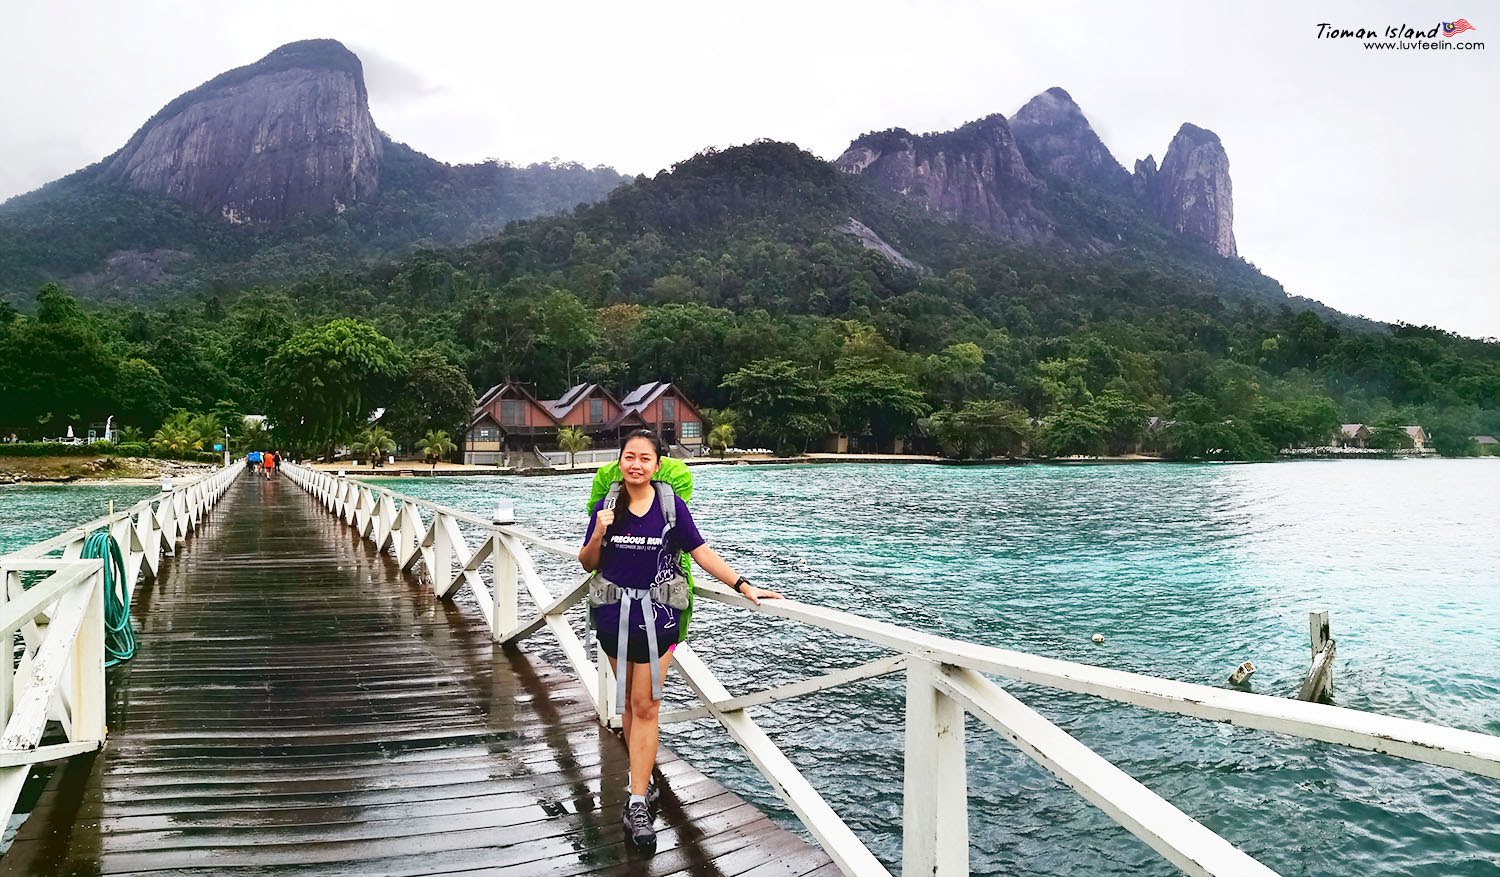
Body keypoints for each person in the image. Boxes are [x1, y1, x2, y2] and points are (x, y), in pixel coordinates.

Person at [578, 429, 781, 851]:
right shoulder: (606, 506)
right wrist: (598, 531)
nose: (636, 464)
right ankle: (644, 778)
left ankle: (636, 802)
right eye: (629, 457)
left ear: (656, 465)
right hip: (614, 616)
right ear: (620, 461)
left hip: (660, 619)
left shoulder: (671, 507)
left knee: (647, 703)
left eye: (644, 458)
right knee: (631, 703)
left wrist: (744, 584)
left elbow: (701, 552)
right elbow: (588, 563)